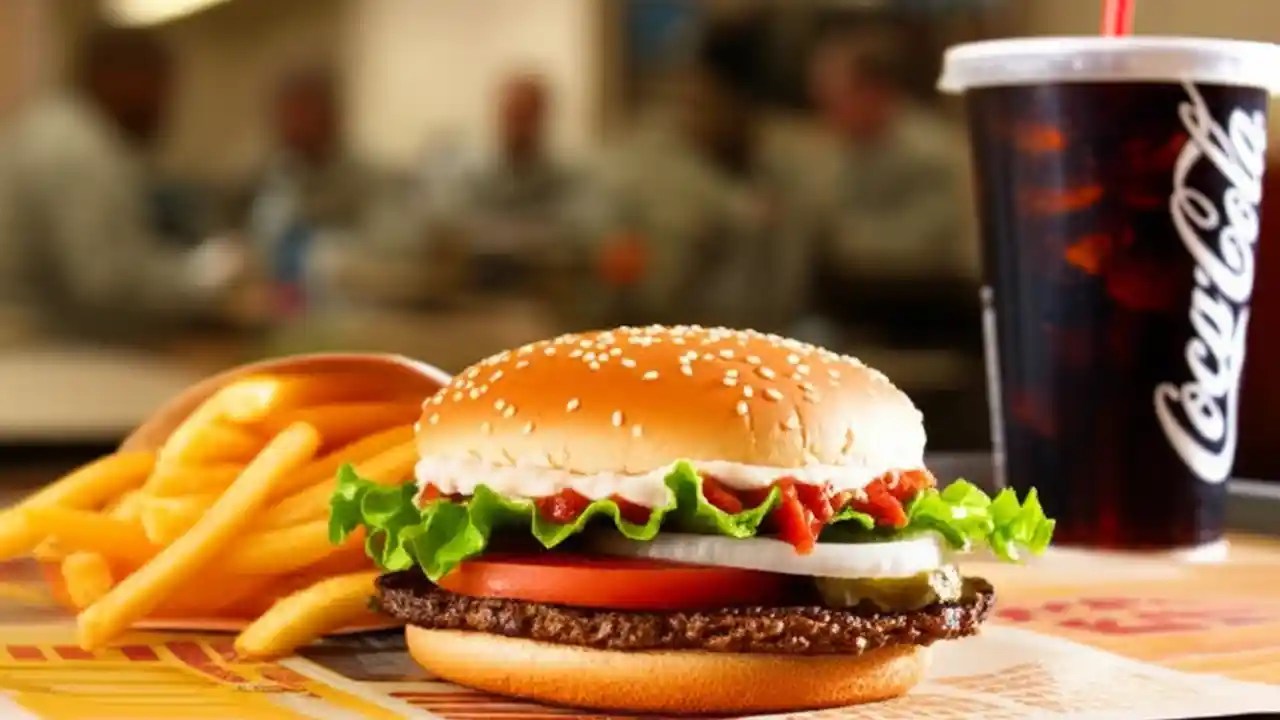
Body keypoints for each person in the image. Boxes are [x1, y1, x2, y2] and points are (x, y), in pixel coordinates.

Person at [0, 27, 245, 343]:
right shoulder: (80, 152)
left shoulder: (55, 126)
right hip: (43, 356)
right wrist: (207, 278)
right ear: (117, 76)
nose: (165, 105)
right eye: (159, 85)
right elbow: (107, 284)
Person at [591, 16, 813, 332]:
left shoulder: (786, 175)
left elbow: (789, 290)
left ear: (742, 105)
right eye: (689, 100)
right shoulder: (653, 166)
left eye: (704, 102)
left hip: (756, 349)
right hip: (668, 347)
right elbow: (643, 289)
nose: (691, 116)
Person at [806, 31, 977, 342]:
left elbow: (917, 246)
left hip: (928, 313)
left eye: (835, 96)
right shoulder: (846, 151)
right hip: (866, 306)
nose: (826, 111)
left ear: (874, 92)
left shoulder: (931, 157)